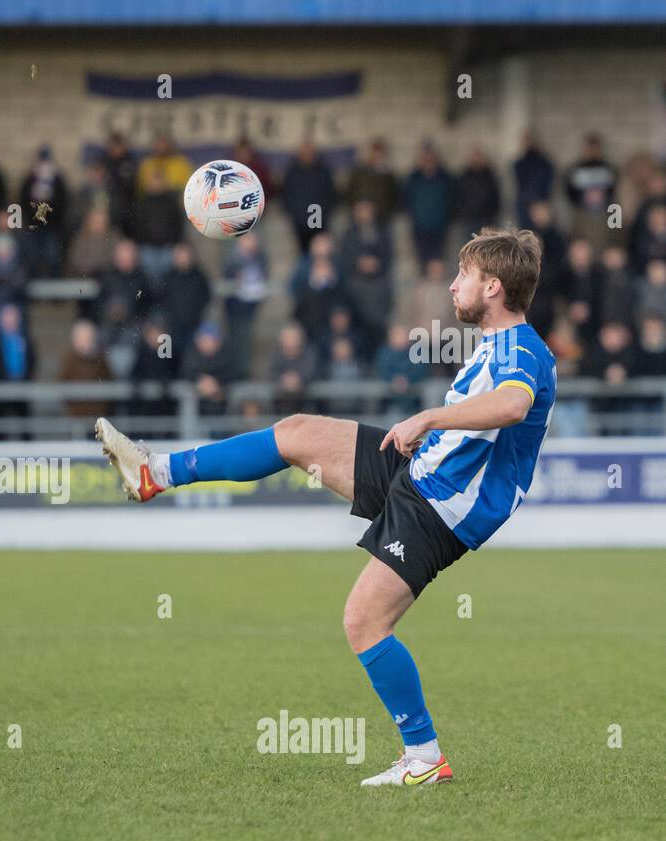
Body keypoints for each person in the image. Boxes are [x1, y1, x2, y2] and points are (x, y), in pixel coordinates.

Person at [96, 228, 555, 787]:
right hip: (420, 470)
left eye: (464, 276)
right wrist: (427, 431)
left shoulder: (523, 350)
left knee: (364, 622)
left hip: (444, 507)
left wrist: (429, 417)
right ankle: (155, 473)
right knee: (294, 432)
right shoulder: (494, 345)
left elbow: (511, 405)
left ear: (493, 287)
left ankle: (425, 757)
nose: (453, 286)